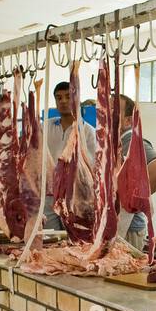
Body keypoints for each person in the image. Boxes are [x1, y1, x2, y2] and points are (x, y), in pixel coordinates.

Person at [42, 81, 97, 229]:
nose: (63, 101)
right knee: (49, 238)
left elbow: (91, 168)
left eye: (68, 97)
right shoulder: (45, 127)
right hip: (48, 196)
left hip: (74, 198)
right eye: (59, 98)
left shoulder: (88, 132)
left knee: (74, 237)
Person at [115, 94, 156, 251]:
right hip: (116, 225)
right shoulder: (114, 143)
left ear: (128, 121)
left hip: (129, 230)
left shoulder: (131, 142)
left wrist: (133, 199)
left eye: (114, 111)